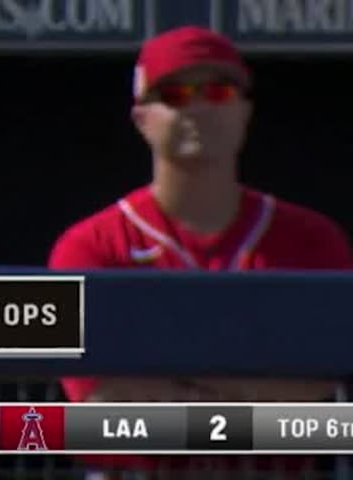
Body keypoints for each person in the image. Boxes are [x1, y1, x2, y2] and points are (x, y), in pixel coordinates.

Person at [50, 26, 353, 477]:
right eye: (175, 93)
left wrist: (165, 378)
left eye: (217, 90)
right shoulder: (92, 246)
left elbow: (314, 392)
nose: (199, 108)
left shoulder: (311, 238)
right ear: (141, 117)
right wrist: (254, 377)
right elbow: (103, 407)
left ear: (244, 110)